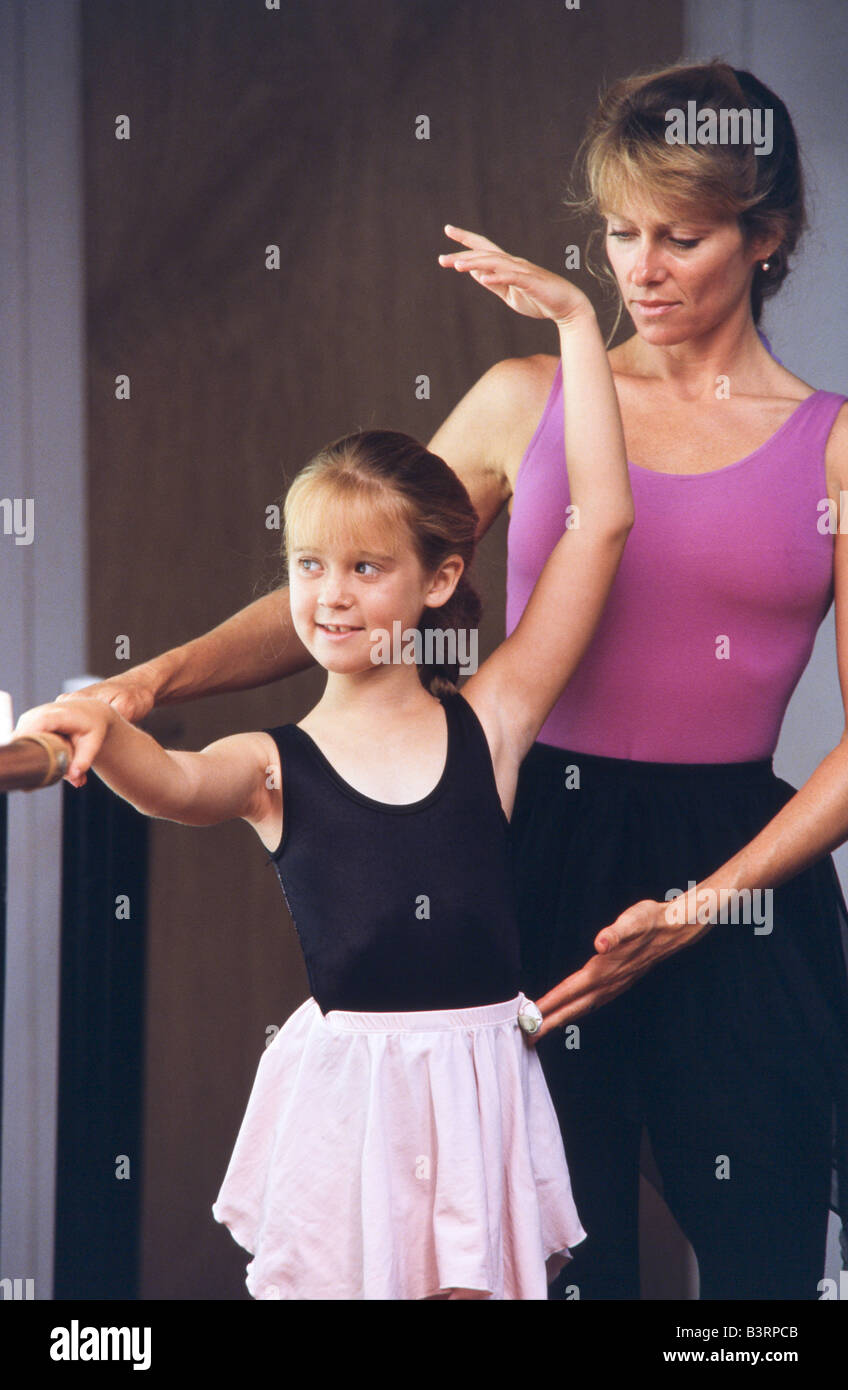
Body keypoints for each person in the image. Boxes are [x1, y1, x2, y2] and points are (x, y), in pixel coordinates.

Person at [60, 58, 848, 1300]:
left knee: (762, 1261)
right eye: (619, 233)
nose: (639, 268)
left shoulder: (834, 443)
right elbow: (355, 581)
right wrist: (146, 684)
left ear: (767, 235)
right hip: (524, 839)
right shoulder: (520, 399)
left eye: (680, 237)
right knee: (543, 1246)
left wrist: (703, 904)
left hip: (738, 865)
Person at [17, 254, 634, 1299]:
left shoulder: (489, 720)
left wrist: (578, 321)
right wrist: (95, 724)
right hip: (351, 1106)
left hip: (481, 1087)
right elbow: (172, 782)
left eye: (364, 567)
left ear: (440, 580)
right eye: (308, 564)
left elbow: (601, 525)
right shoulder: (270, 765)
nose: (329, 595)